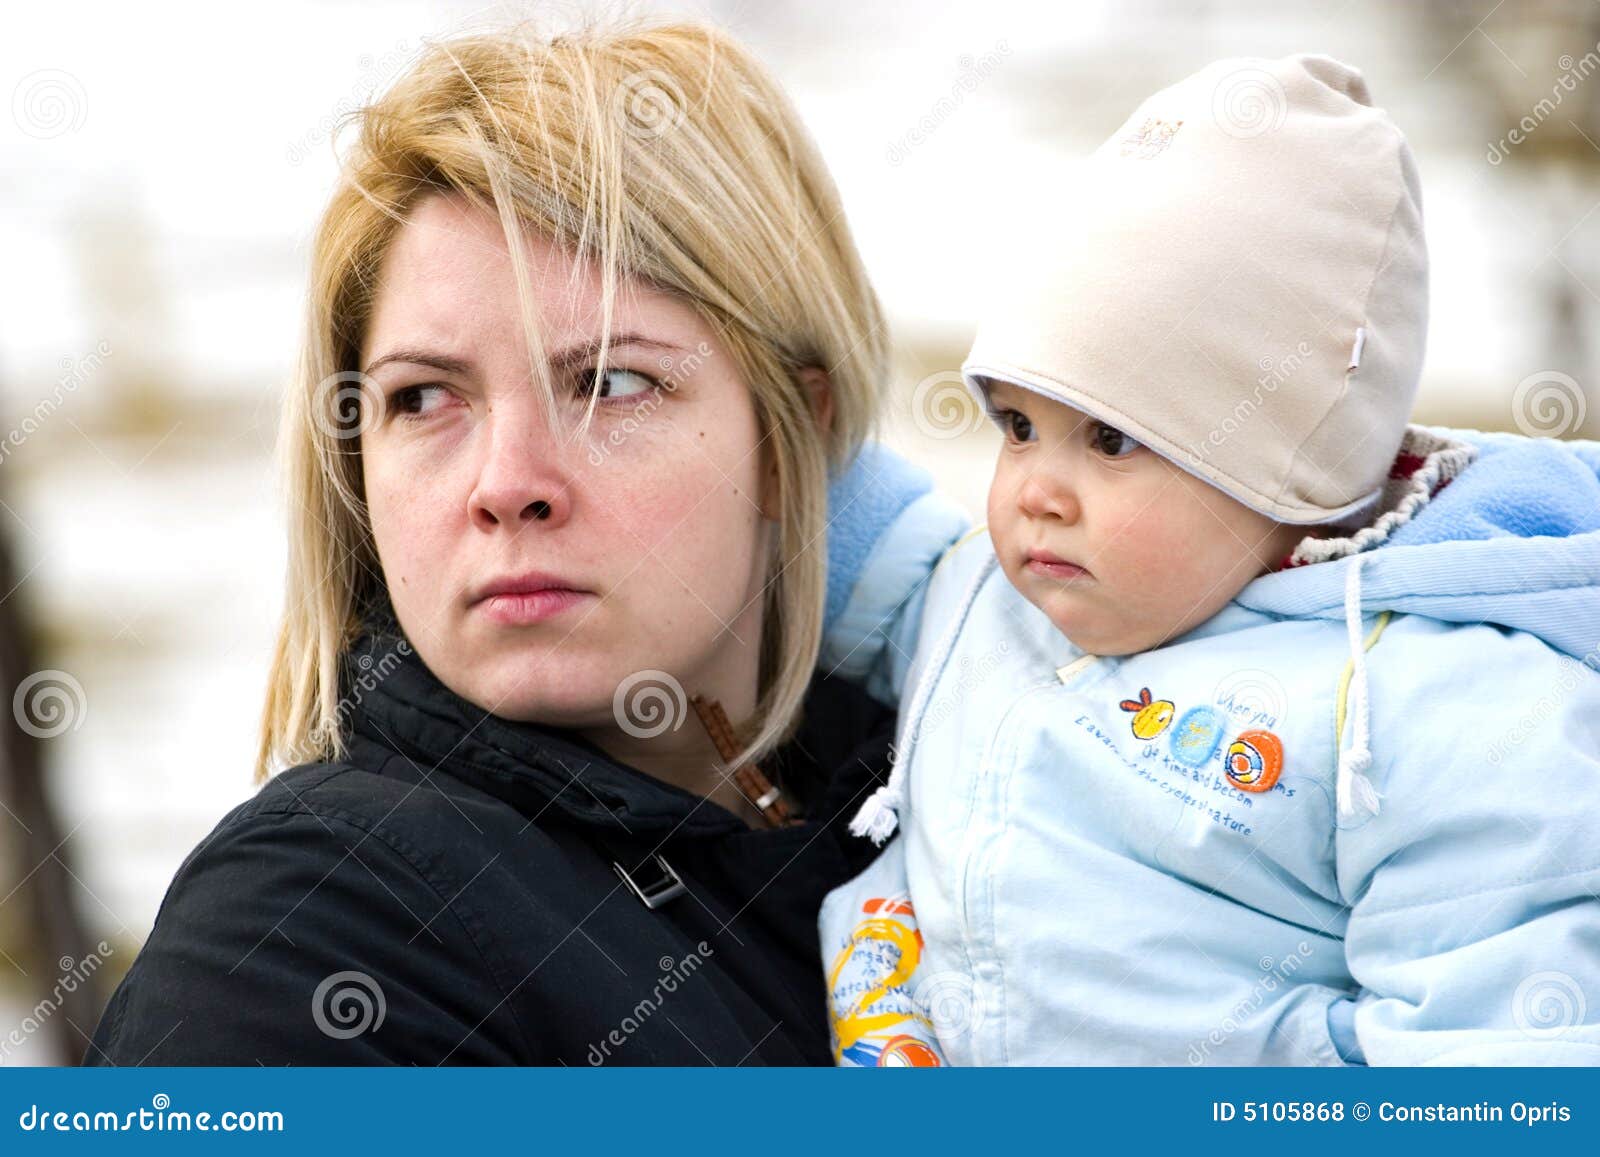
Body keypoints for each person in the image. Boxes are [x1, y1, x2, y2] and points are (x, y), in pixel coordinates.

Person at [83, 18, 965, 1066]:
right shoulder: (304, 938)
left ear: (791, 435)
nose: (508, 485)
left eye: (613, 381)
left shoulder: (990, 798)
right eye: (424, 397)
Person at [817, 55, 1600, 1066]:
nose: (1033, 490)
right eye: (1017, 424)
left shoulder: (1447, 708)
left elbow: (1507, 1061)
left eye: (1110, 439)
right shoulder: (984, 599)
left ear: (1291, 470)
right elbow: (799, 525)